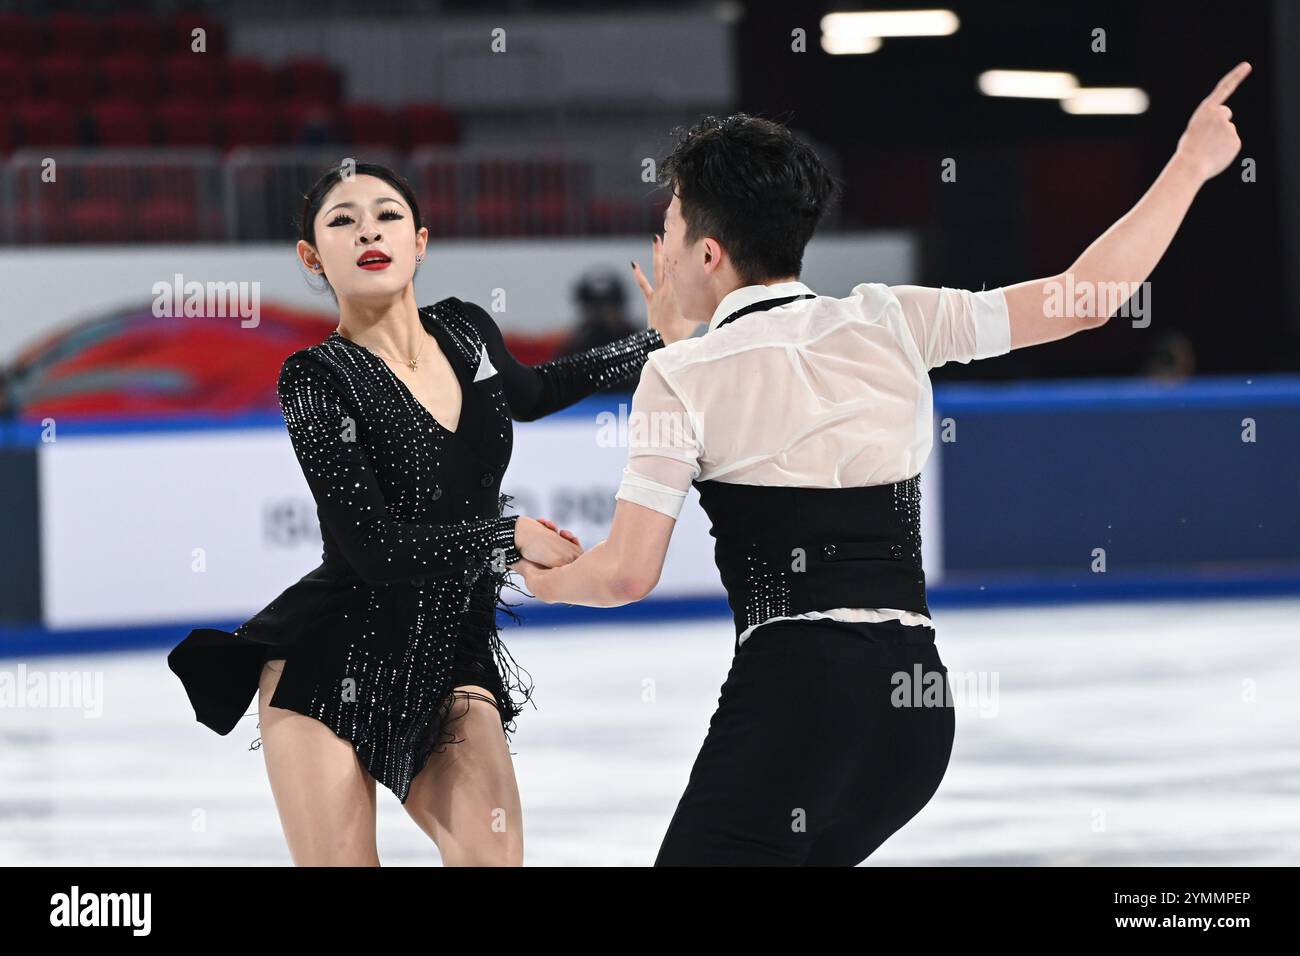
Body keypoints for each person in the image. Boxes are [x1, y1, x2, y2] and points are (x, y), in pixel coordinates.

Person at [517, 63, 1251, 865]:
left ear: (709, 252)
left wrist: (541, 577)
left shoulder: (680, 376)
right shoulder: (891, 318)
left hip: (797, 693)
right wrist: (1189, 166)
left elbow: (626, 574)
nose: (659, 243)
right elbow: (1087, 296)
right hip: (915, 707)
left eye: (671, 224)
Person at [167, 161, 698, 866]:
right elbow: (376, 551)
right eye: (342, 221)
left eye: (386, 216)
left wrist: (662, 341)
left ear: (420, 241)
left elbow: (535, 390)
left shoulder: (466, 331)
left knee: (493, 857)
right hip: (331, 658)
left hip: (453, 651)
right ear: (310, 256)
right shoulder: (315, 378)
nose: (367, 232)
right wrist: (506, 536)